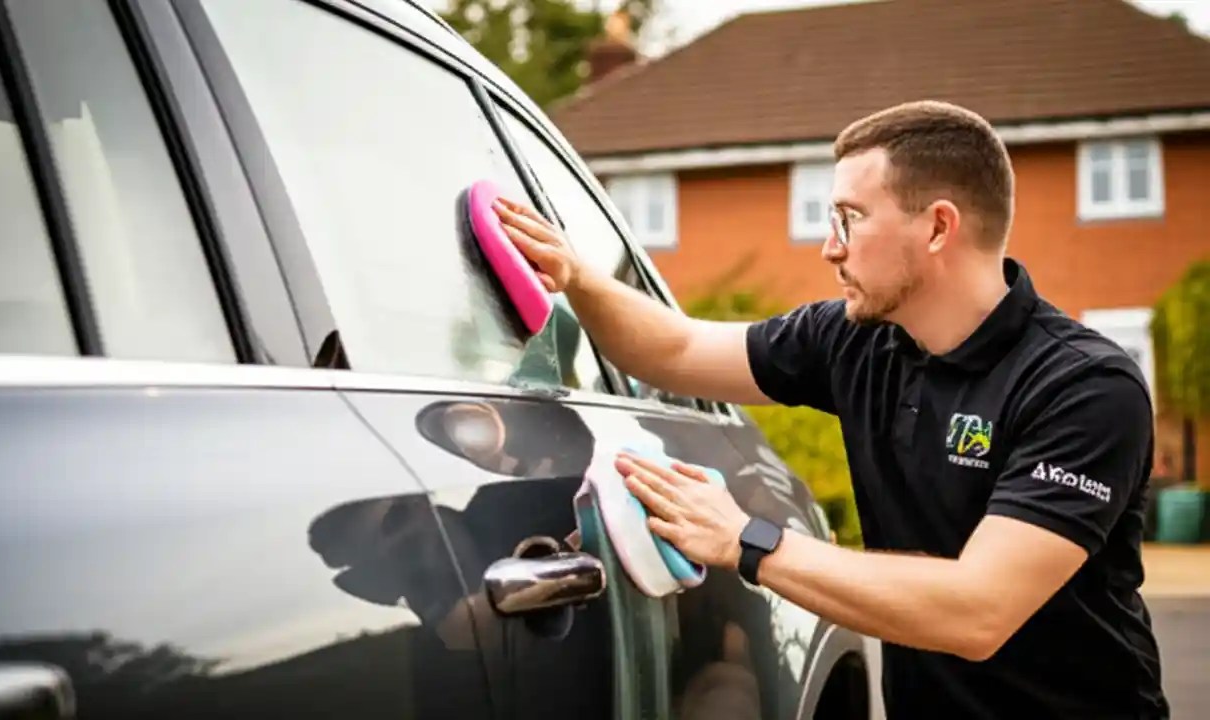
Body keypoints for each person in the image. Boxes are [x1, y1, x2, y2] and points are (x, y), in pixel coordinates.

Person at [493, 100, 1169, 719]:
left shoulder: (1084, 386)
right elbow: (676, 346)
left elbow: (979, 610)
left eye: (850, 217)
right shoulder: (853, 338)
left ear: (937, 227)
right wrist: (577, 278)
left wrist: (746, 539)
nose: (829, 247)